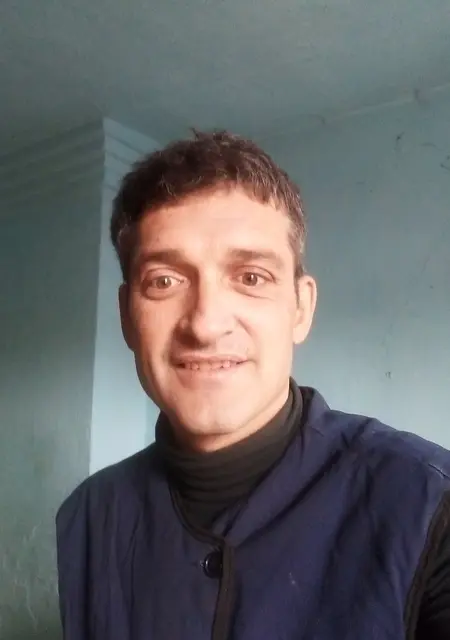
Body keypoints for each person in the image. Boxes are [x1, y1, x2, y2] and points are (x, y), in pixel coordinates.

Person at [56, 130, 450, 640]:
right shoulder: (88, 519)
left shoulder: (429, 506)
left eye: (251, 277)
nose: (205, 324)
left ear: (301, 308)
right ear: (128, 318)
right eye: (164, 281)